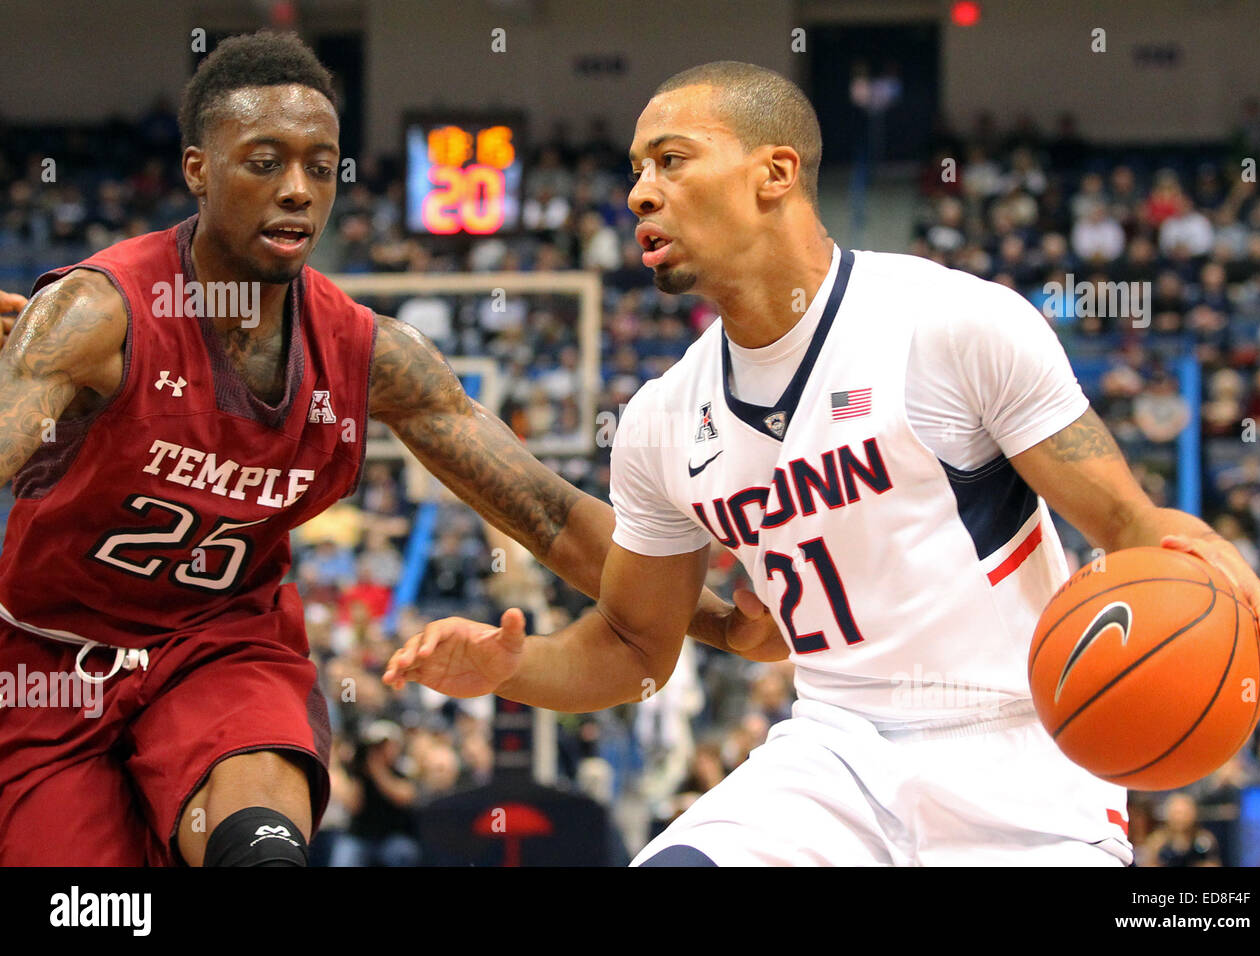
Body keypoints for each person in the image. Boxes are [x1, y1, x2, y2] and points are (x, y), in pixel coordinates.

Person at [386, 61, 1260, 866]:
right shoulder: (663, 420)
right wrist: (511, 669)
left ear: (774, 173)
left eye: (670, 160)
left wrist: (1202, 556)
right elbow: (630, 648)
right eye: (635, 171)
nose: (639, 194)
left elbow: (1130, 524)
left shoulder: (951, 326)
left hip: (1025, 759)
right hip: (835, 756)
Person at [0, 34, 782, 868]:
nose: (298, 190)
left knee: (260, 855)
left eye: (320, 164)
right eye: (264, 162)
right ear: (197, 169)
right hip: (53, 660)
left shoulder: (374, 353)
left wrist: (713, 623)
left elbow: (550, 514)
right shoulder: (98, 314)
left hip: (220, 648)